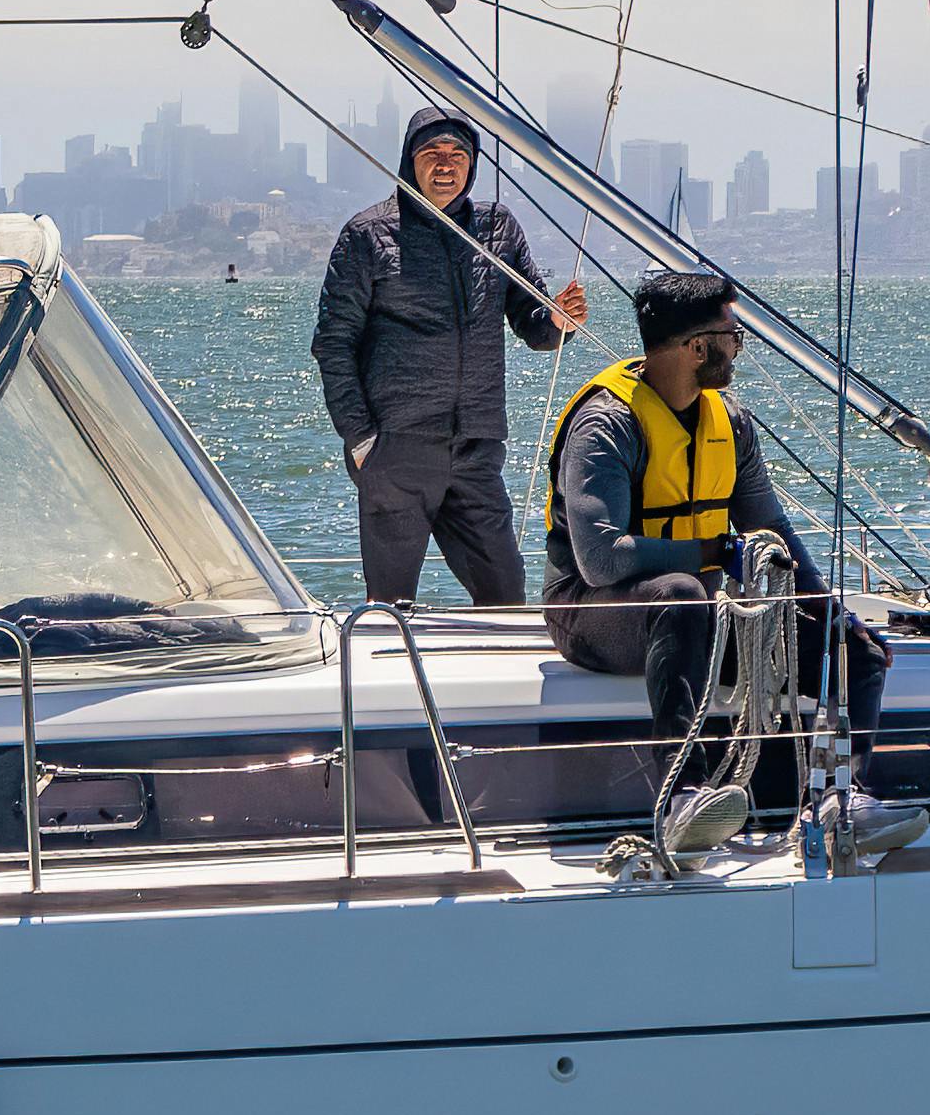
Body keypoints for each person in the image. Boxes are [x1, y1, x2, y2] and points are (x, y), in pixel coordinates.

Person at [546, 268, 888, 743]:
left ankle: (845, 797)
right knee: (682, 595)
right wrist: (717, 553)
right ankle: (684, 792)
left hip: (695, 614)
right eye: (734, 337)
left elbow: (771, 529)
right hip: (590, 616)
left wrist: (832, 613)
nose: (738, 349)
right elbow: (603, 561)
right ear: (699, 347)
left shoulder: (732, 424)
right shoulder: (606, 427)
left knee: (853, 652)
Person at [311, 112, 591, 607]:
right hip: (396, 448)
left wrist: (558, 323)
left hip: (477, 448)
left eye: (457, 156)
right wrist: (361, 439)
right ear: (409, 162)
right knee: (390, 607)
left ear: (473, 165)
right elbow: (334, 342)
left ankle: (502, 683)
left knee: (505, 591)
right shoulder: (368, 234)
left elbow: (532, 323)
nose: (446, 166)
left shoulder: (497, 228)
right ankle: (390, 680)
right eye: (432, 156)